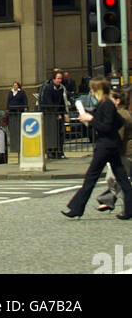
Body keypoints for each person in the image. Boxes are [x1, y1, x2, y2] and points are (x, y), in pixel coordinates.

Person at [63, 78, 132, 219]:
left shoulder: (106, 104)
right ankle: (129, 210)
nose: (91, 92)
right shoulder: (106, 104)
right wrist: (88, 115)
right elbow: (119, 122)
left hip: (105, 146)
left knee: (91, 178)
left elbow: (106, 126)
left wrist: (91, 119)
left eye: (93, 89)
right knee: (122, 179)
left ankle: (77, 208)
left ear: (97, 90)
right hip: (112, 146)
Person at [96, 88, 132, 213]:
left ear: (117, 101)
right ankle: (109, 201)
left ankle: (126, 207)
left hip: (123, 152)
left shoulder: (121, 114)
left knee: (115, 179)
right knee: (119, 180)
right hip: (123, 152)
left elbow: (119, 136)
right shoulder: (122, 112)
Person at [39, 70, 67, 158]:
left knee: (60, 133)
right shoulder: (48, 88)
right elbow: (49, 102)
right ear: (54, 79)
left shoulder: (61, 88)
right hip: (49, 114)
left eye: (61, 79)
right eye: (58, 78)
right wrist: (56, 114)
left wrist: (64, 113)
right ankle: (50, 151)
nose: (60, 80)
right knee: (51, 133)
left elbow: (62, 102)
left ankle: (59, 151)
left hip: (58, 113)